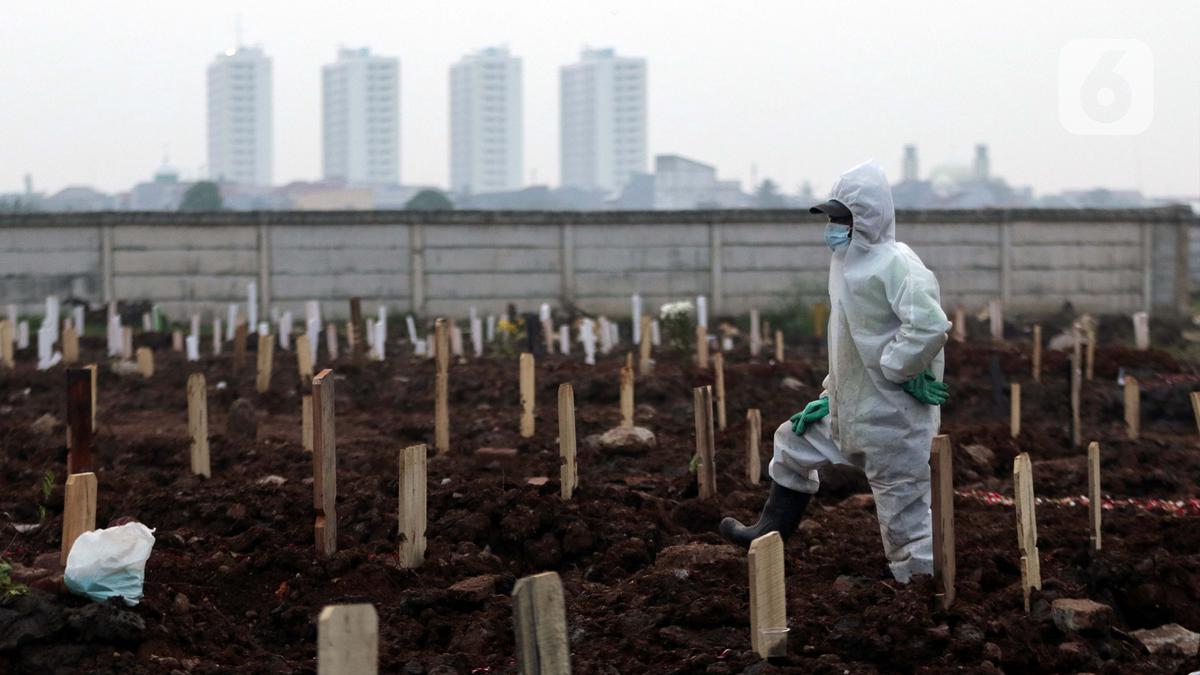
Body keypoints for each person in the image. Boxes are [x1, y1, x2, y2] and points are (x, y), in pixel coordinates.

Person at [718, 159, 951, 583]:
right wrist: (832, 395)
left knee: (906, 527)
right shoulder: (845, 264)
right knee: (791, 442)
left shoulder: (897, 265)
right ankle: (769, 533)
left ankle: (922, 601)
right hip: (849, 411)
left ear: (866, 218)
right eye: (831, 218)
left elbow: (930, 325)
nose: (833, 227)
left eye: (842, 218)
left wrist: (897, 368)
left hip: (891, 423)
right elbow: (849, 343)